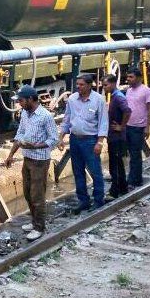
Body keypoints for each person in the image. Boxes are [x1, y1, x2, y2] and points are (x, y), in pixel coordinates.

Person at [5, 85, 59, 241]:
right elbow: (20, 133)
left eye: (21, 101)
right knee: (28, 193)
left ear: (30, 99)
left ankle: (39, 227)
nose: (19, 104)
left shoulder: (45, 116)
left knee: (37, 195)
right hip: (27, 158)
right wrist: (11, 154)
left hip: (40, 160)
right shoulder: (25, 113)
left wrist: (37, 146)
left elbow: (54, 139)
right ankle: (34, 221)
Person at [57, 74, 108, 214]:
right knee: (78, 171)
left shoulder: (98, 100)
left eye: (81, 84)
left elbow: (103, 122)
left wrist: (100, 142)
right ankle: (83, 201)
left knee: (95, 171)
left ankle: (98, 200)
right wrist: (61, 137)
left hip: (91, 140)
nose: (78, 87)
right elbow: (67, 119)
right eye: (77, 84)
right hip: (75, 139)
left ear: (89, 85)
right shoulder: (72, 99)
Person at [124, 69, 150, 189]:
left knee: (135, 154)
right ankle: (132, 178)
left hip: (138, 127)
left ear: (138, 78)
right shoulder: (129, 91)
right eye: (128, 77)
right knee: (129, 154)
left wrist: (147, 127)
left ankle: (135, 180)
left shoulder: (146, 91)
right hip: (128, 126)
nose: (128, 79)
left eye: (131, 77)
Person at [103, 75, 131, 199]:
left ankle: (115, 190)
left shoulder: (118, 97)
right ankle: (122, 187)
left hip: (117, 137)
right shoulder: (115, 96)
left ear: (113, 84)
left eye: (106, 85)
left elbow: (127, 111)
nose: (104, 88)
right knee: (117, 164)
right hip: (115, 136)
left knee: (115, 164)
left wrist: (122, 126)